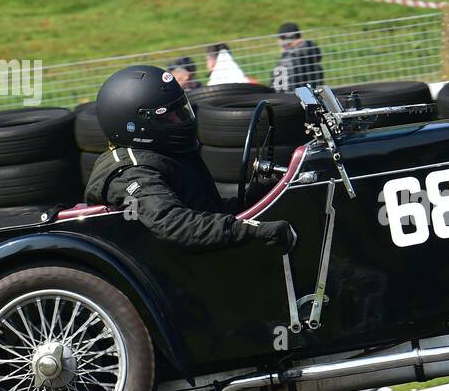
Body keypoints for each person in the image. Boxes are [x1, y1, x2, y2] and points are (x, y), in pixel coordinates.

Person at [84, 65, 296, 252]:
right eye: (168, 116)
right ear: (134, 124)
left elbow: (204, 209)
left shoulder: (163, 155)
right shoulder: (132, 172)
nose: (180, 120)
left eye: (181, 110)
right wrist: (248, 229)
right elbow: (174, 224)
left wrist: (256, 194)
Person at [272, 22, 324, 92]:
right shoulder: (311, 48)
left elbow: (282, 89)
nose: (278, 42)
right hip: (313, 93)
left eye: (280, 38)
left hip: (293, 97)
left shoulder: (288, 58)